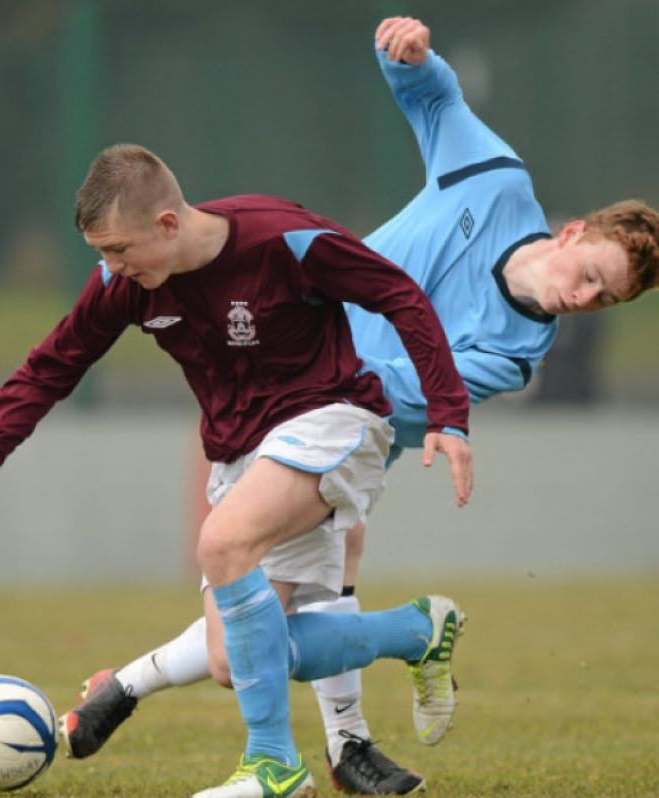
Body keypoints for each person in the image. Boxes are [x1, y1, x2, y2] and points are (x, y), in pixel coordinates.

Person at [54, 15, 659, 797]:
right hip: (286, 400)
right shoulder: (498, 183)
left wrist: (290, 372)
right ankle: (367, 702)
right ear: (572, 232)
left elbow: (400, 391)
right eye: (590, 274)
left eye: (604, 299)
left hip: (337, 424)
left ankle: (266, 731)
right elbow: (439, 105)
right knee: (270, 622)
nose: (583, 297)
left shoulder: (519, 352)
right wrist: (411, 58)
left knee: (253, 627)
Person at [0, 128, 475, 796]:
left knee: (222, 544)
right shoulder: (125, 283)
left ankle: (273, 766)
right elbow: (58, 360)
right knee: (235, 660)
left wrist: (447, 411)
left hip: (334, 418)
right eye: (102, 253)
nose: (111, 266)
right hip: (242, 452)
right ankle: (417, 630)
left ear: (167, 223)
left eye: (118, 249)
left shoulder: (283, 240)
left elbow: (400, 295)